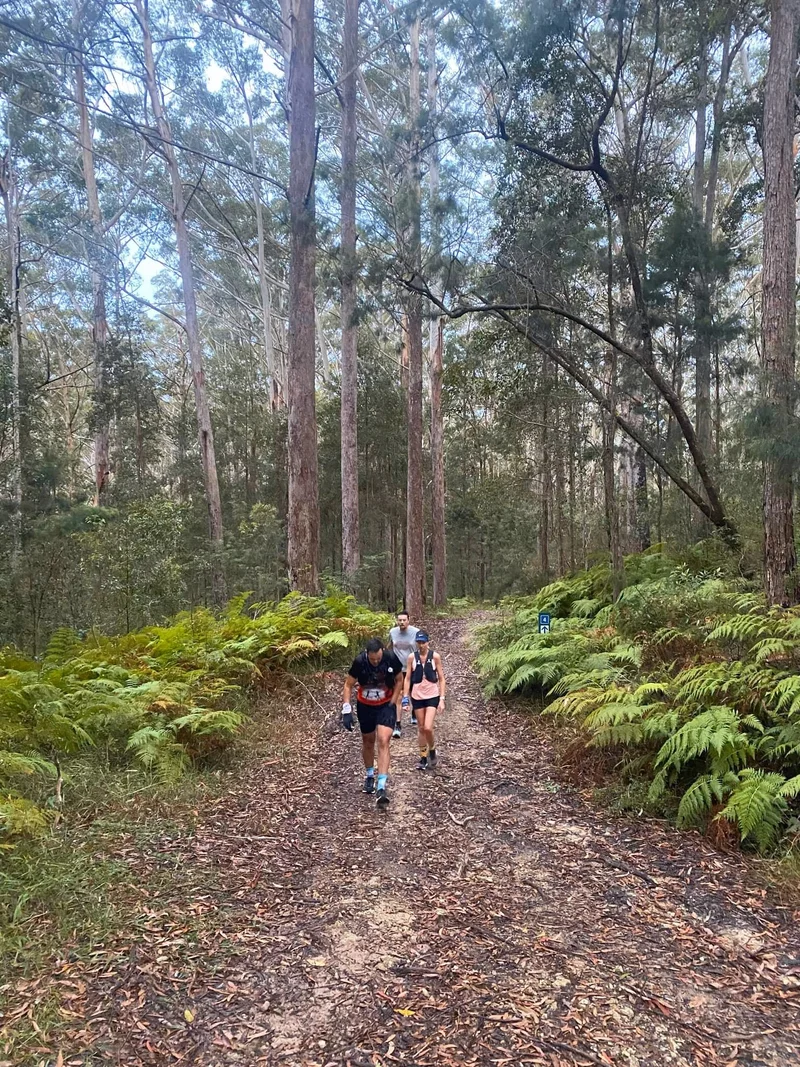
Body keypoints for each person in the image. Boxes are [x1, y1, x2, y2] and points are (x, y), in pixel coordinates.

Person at [342, 637, 403, 806]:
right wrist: (346, 709)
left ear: (382, 651)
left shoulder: (390, 658)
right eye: (372, 659)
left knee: (383, 740)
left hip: (386, 705)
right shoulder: (360, 661)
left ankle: (382, 786)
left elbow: (400, 680)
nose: (375, 662)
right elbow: (348, 685)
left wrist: (395, 699)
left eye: (378, 658)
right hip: (365, 706)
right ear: (367, 654)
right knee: (368, 742)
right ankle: (370, 775)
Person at [402, 630, 446, 771]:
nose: (421, 645)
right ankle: (423, 757)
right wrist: (405, 698)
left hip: (432, 695)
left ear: (428, 642)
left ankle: (432, 749)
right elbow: (407, 678)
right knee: (421, 728)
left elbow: (441, 678)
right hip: (417, 696)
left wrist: (442, 698)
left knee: (428, 727)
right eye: (419, 642)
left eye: (423, 642)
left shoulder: (435, 657)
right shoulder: (411, 658)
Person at [387, 609, 419, 737]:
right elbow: (389, 646)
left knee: (413, 692)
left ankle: (414, 713)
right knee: (399, 696)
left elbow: (422, 647)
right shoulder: (393, 632)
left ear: (408, 620)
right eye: (399, 620)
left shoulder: (415, 632)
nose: (401, 622)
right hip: (397, 669)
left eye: (404, 620)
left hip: (412, 667)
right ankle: (397, 724)